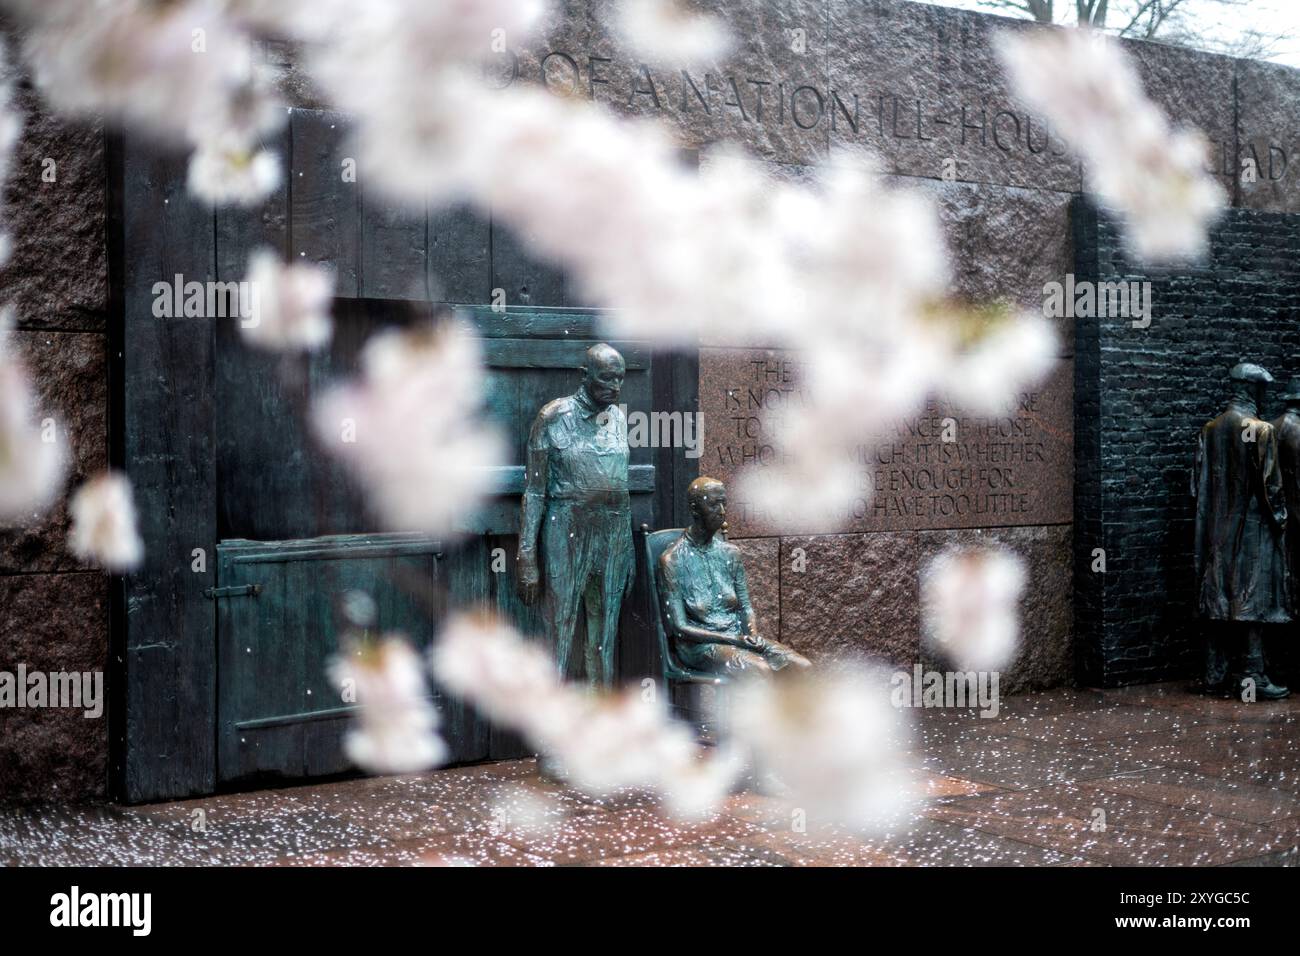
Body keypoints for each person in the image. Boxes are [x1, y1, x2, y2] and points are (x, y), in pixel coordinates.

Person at [1193, 362, 1290, 699]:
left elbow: (1198, 487)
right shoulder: (1261, 430)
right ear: (1251, 390)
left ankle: (1214, 674)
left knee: (1219, 600)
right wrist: (1281, 522)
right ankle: (1252, 677)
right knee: (1253, 601)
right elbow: (1271, 488)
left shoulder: (1210, 429)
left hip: (1216, 530)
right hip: (1252, 530)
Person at [658, 476, 811, 676]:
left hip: (738, 636)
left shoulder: (730, 553)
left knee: (802, 667)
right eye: (714, 505)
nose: (722, 512)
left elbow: (745, 607)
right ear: (695, 509)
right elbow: (680, 627)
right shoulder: (672, 560)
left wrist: (752, 635)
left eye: (724, 504)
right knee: (760, 669)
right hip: (699, 647)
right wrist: (733, 640)